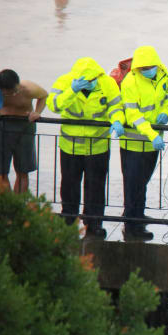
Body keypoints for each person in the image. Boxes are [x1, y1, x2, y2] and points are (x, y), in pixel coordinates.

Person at [47, 57, 125, 238]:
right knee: (69, 184)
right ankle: (68, 219)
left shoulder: (107, 83)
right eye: (85, 81)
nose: (89, 83)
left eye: (92, 80)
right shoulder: (65, 82)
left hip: (97, 146)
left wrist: (117, 120)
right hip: (71, 147)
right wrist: (71, 91)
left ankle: (94, 222)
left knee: (96, 186)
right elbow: (54, 105)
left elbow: (115, 107)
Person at [118, 45, 168, 241]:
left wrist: (166, 112)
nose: (146, 71)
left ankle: (138, 216)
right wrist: (152, 134)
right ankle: (131, 225)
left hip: (152, 144)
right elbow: (132, 114)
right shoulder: (130, 82)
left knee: (143, 182)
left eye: (149, 67)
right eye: (143, 68)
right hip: (133, 144)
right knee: (132, 184)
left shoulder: (163, 76)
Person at [0, 69, 47, 193]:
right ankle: (5, 206)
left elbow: (44, 96)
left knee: (23, 171)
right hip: (2, 127)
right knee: (1, 172)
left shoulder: (28, 88)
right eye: (6, 93)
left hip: (25, 128)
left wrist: (37, 112)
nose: (11, 95)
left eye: (13, 92)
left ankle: (19, 206)